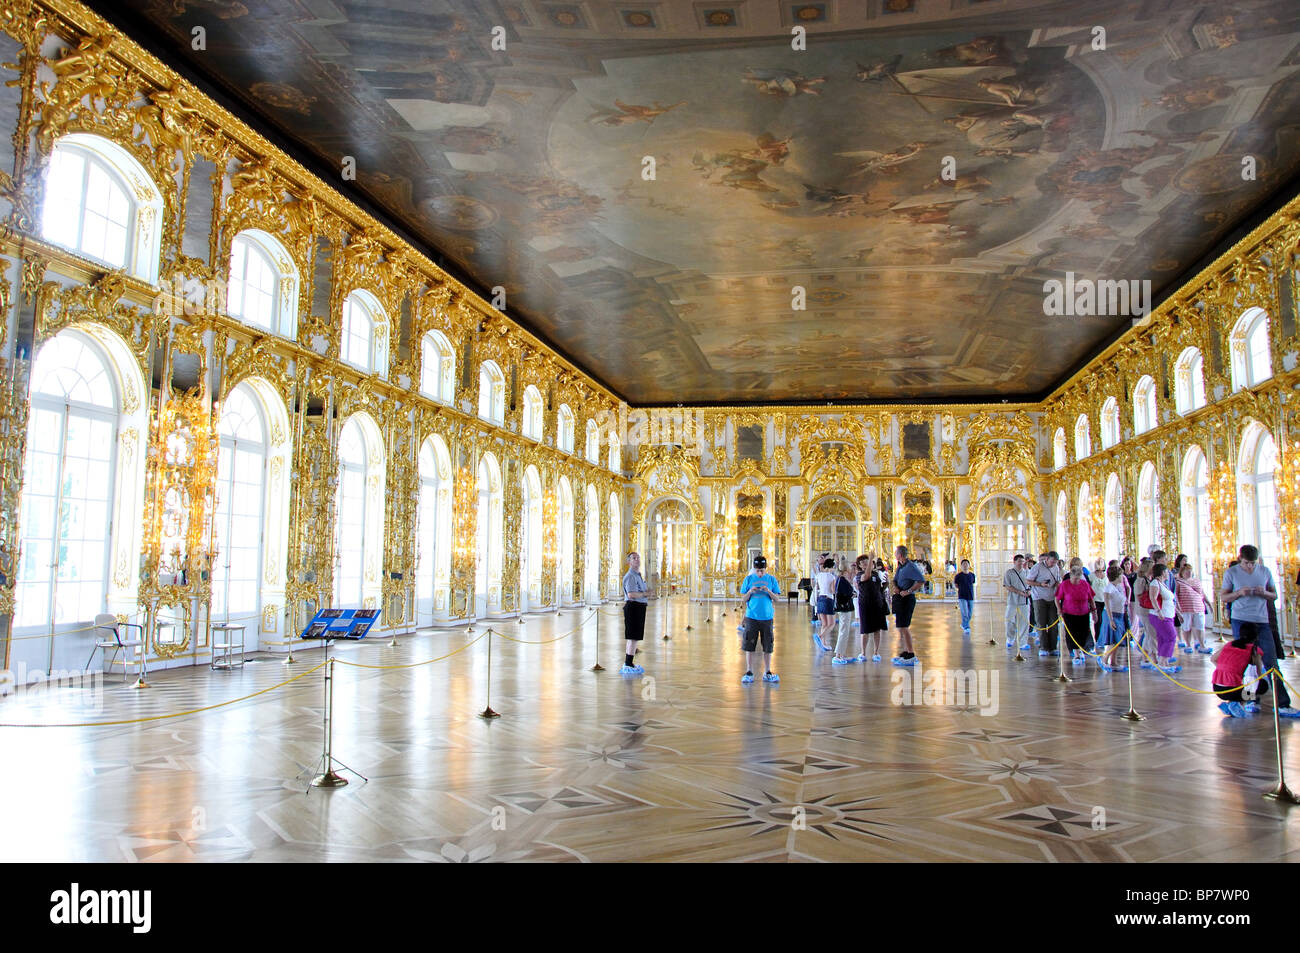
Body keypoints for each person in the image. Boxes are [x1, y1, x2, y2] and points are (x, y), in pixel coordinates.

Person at [1221, 545, 1298, 716]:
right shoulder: (1231, 573)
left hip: (1262, 621)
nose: (1250, 566)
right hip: (1240, 620)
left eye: (1253, 563)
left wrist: (1264, 593)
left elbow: (1274, 595)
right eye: (1247, 563)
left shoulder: (1264, 571)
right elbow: (1224, 596)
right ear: (1240, 558)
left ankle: (1283, 704)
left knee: (1271, 662)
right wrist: (1239, 593)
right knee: (1248, 663)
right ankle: (1250, 699)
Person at [1211, 620, 1266, 718]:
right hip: (1233, 690)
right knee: (1262, 685)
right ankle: (1237, 704)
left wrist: (1225, 670)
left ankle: (1230, 705)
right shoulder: (1254, 649)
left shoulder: (1229, 644)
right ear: (1256, 636)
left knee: (1244, 681)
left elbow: (1213, 659)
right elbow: (1257, 674)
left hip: (1217, 688)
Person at [740, 555, 780, 684]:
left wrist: (768, 590)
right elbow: (743, 599)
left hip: (767, 617)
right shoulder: (748, 579)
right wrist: (750, 591)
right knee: (749, 645)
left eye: (762, 570)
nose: (760, 573)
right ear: (754, 569)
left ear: (765, 569)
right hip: (752, 617)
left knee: (768, 645)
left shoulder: (772, 579)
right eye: (758, 570)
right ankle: (749, 671)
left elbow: (777, 599)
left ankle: (767, 671)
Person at [891, 545, 926, 666]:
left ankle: (911, 654)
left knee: (904, 627)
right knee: (901, 626)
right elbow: (895, 580)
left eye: (896, 553)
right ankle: (905, 652)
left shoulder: (911, 566)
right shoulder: (900, 566)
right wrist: (896, 587)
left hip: (907, 599)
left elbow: (921, 580)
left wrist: (909, 591)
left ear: (900, 555)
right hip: (899, 598)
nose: (894, 555)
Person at [1056, 562, 1094, 665]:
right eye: (1075, 578)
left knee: (1084, 633)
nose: (1077, 581)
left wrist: (1094, 611)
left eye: (1079, 578)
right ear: (1071, 576)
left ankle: (1081, 650)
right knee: (1072, 633)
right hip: (1069, 613)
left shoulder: (1085, 584)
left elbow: (1091, 598)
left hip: (1084, 612)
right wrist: (1059, 609)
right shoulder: (1065, 584)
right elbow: (1057, 598)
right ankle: (1076, 653)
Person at [1145, 563, 1180, 673]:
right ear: (1162, 572)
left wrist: (1177, 612)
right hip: (1160, 615)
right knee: (1171, 637)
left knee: (1163, 638)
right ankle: (1162, 661)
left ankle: (1163, 661)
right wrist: (1158, 611)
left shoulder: (1163, 583)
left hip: (1168, 614)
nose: (1168, 573)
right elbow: (1153, 598)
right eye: (1166, 571)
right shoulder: (1155, 583)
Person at [620, 552, 651, 674]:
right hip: (633, 607)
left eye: (638, 557)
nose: (637, 560)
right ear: (629, 562)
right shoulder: (630, 576)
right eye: (634, 558)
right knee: (632, 637)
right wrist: (645, 594)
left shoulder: (638, 575)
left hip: (639, 607)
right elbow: (631, 594)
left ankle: (630, 662)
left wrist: (645, 593)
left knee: (634, 637)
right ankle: (628, 663)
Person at [1028, 551, 1062, 656]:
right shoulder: (1037, 567)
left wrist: (1057, 584)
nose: (1053, 564)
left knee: (1053, 623)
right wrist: (1040, 584)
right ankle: (1043, 647)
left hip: (1052, 597)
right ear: (1047, 559)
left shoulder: (1056, 568)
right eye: (1052, 562)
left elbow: (1057, 579)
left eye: (1055, 563)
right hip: (1039, 597)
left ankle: (1052, 647)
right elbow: (1028, 581)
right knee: (1041, 622)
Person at [857, 554, 889, 662]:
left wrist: (886, 584)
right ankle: (863, 652)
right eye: (863, 562)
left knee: (877, 629)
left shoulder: (876, 574)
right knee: (865, 629)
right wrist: (871, 559)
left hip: (877, 603)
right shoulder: (860, 575)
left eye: (867, 560)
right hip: (865, 604)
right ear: (860, 566)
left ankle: (876, 652)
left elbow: (880, 589)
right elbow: (866, 577)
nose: (866, 563)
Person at [1097, 564, 1129, 672]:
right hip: (1112, 615)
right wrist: (1111, 620)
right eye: (1121, 575)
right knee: (1113, 640)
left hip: (1119, 615)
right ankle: (1104, 659)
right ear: (1116, 576)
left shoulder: (1118, 587)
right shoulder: (1109, 588)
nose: (1122, 577)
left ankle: (1113, 662)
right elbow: (1107, 604)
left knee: (1117, 640)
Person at [1175, 563, 1213, 654]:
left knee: (1200, 626)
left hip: (1199, 607)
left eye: (1190, 571)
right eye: (1187, 571)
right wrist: (1178, 607)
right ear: (1182, 572)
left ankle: (1202, 645)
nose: (1189, 573)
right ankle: (1188, 645)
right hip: (1185, 608)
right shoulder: (1178, 582)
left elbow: (1202, 594)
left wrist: (1209, 605)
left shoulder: (1196, 581)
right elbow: (1175, 595)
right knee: (1186, 627)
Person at [832, 564, 860, 664]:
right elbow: (844, 595)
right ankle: (838, 655)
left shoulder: (841, 580)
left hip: (844, 609)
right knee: (843, 631)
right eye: (848, 570)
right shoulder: (842, 580)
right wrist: (852, 595)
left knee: (844, 631)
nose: (849, 572)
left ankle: (842, 654)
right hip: (844, 609)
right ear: (844, 571)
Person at [1002, 554, 1032, 649]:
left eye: (1022, 562)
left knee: (1024, 622)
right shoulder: (1009, 573)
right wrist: (1019, 592)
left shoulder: (1027, 572)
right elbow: (1007, 586)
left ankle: (1023, 642)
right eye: (1019, 561)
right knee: (1009, 621)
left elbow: (1031, 585)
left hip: (1024, 602)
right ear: (1014, 562)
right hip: (1012, 601)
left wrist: (1029, 592)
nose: (1021, 563)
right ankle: (1010, 638)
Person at [814, 557, 837, 651]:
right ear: (832, 567)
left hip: (820, 598)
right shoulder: (831, 577)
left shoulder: (819, 575)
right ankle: (820, 636)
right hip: (828, 599)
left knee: (824, 624)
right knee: (831, 623)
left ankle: (823, 643)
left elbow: (817, 587)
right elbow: (832, 590)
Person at [954, 558, 976, 636]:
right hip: (962, 596)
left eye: (966, 564)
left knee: (970, 613)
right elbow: (956, 585)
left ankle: (964, 624)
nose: (965, 565)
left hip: (970, 596)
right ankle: (967, 627)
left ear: (969, 565)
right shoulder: (958, 576)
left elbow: (973, 583)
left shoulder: (972, 575)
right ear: (961, 566)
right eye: (963, 564)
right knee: (965, 613)